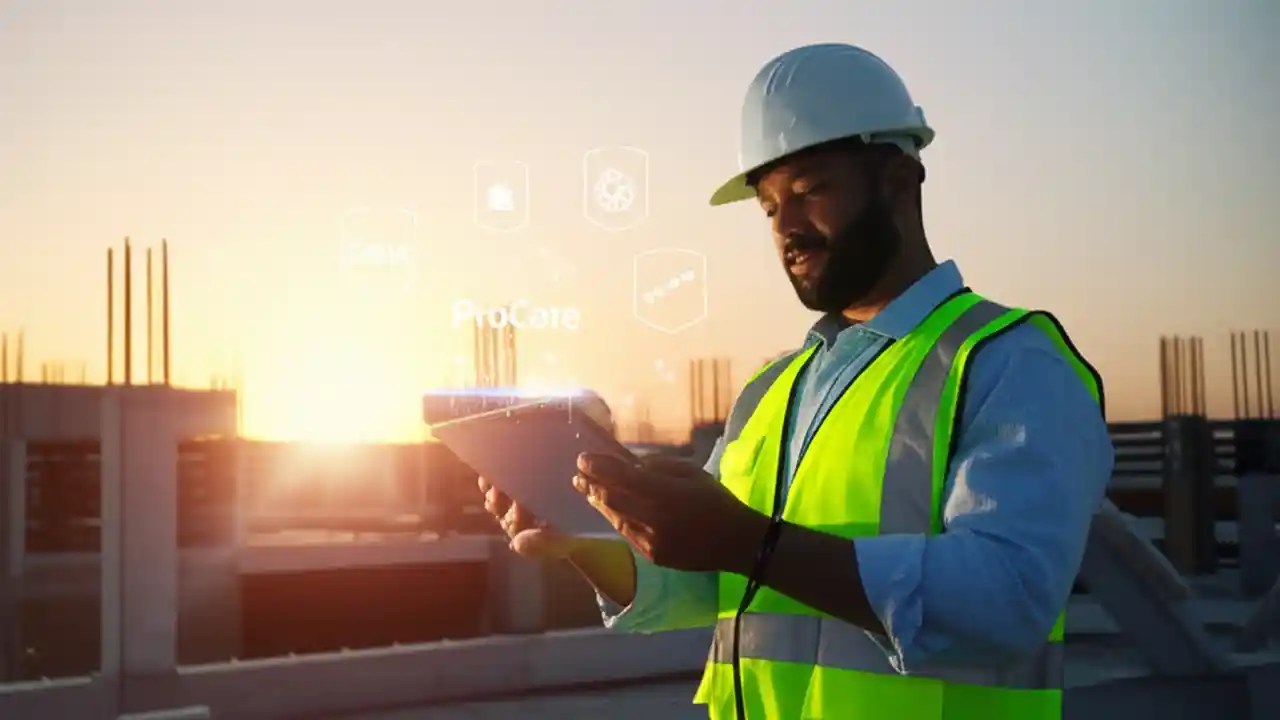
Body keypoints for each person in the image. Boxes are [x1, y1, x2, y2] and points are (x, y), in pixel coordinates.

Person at [479, 42, 1115, 719]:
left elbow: (1006, 599)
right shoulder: (773, 391)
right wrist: (584, 537)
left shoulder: (1009, 363)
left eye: (810, 191)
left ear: (899, 182)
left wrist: (745, 539)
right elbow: (712, 584)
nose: (787, 226)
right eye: (769, 206)